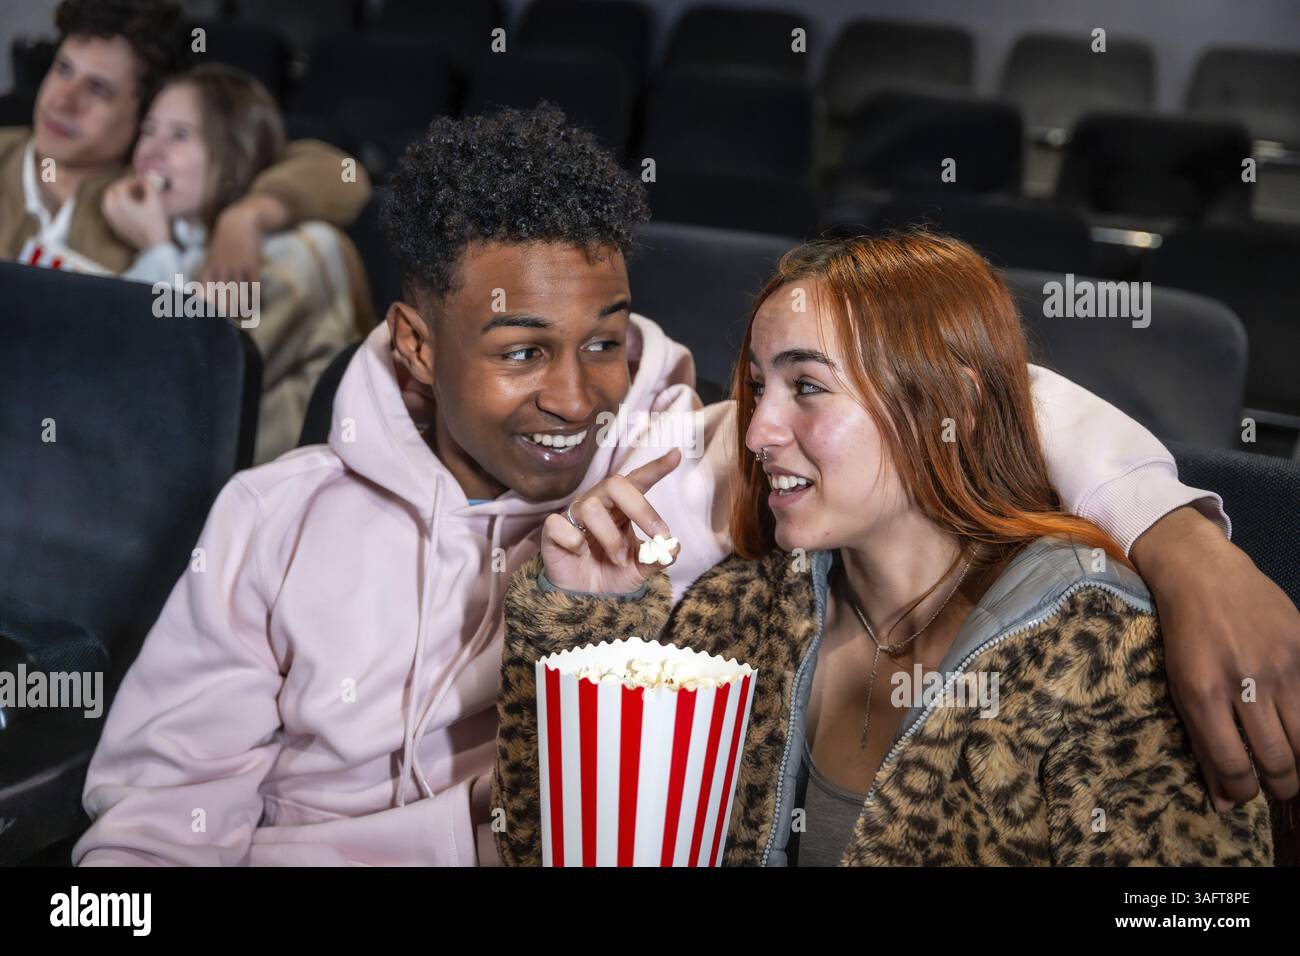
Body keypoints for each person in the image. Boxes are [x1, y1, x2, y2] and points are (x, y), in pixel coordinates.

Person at [73, 104, 1297, 867]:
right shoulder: (271, 516)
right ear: (411, 346)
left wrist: (1183, 540)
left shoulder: (681, 455)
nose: (574, 394)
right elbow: (153, 818)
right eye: (516, 352)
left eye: (604, 338)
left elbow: (952, 387)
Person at [494, 232, 1274, 866]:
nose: (758, 431)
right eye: (759, 386)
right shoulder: (740, 609)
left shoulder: (1100, 653)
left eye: (807, 387)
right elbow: (554, 848)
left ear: (953, 407)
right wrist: (587, 629)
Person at [104, 64, 371, 464]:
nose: (151, 152)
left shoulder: (301, 252)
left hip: (268, 498)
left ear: (235, 150)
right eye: (148, 129)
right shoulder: (173, 235)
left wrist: (155, 249)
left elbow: (182, 380)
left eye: (179, 135)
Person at [0, 0, 369, 279]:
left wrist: (249, 216)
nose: (62, 100)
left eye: (97, 89)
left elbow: (339, 170)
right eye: (63, 69)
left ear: (144, 111)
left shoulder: (161, 182)